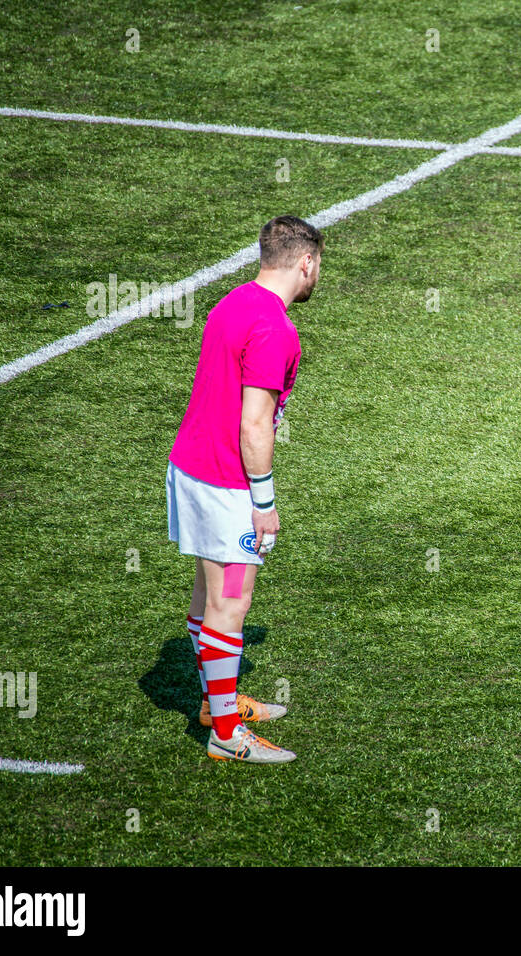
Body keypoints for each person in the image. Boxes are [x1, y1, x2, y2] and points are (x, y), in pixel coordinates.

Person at [166, 215, 323, 763]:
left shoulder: (232, 302)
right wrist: (264, 503)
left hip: (190, 467)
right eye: (317, 267)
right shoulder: (276, 328)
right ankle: (226, 734)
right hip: (227, 486)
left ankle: (217, 703)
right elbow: (254, 423)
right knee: (232, 602)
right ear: (306, 262)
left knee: (209, 597)